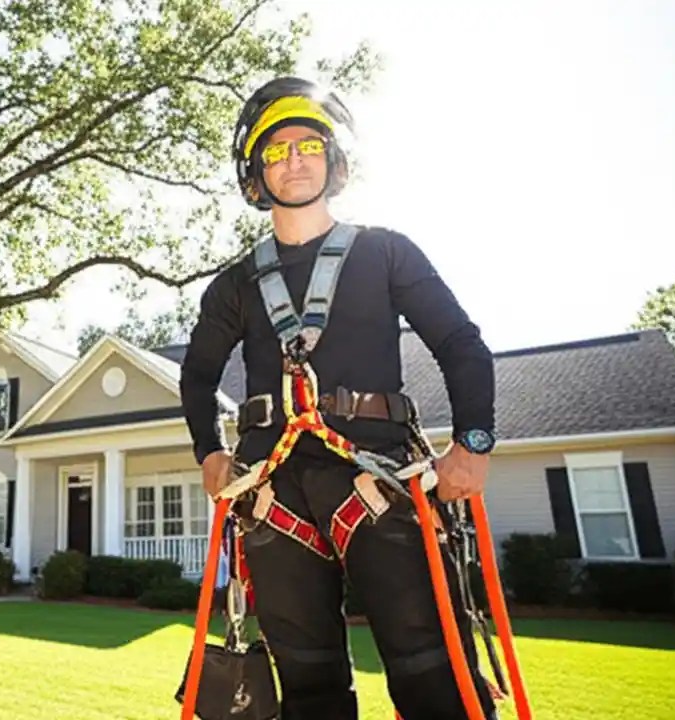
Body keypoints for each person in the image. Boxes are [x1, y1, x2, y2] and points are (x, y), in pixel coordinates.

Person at [179, 76, 500, 720]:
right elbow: (196, 375)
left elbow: (461, 343)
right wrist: (209, 453)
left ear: (335, 161)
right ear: (254, 175)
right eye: (275, 151)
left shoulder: (385, 253)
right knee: (309, 683)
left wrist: (472, 443)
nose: (293, 159)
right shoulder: (233, 286)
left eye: (308, 145)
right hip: (275, 497)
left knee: (429, 667)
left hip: (377, 480)